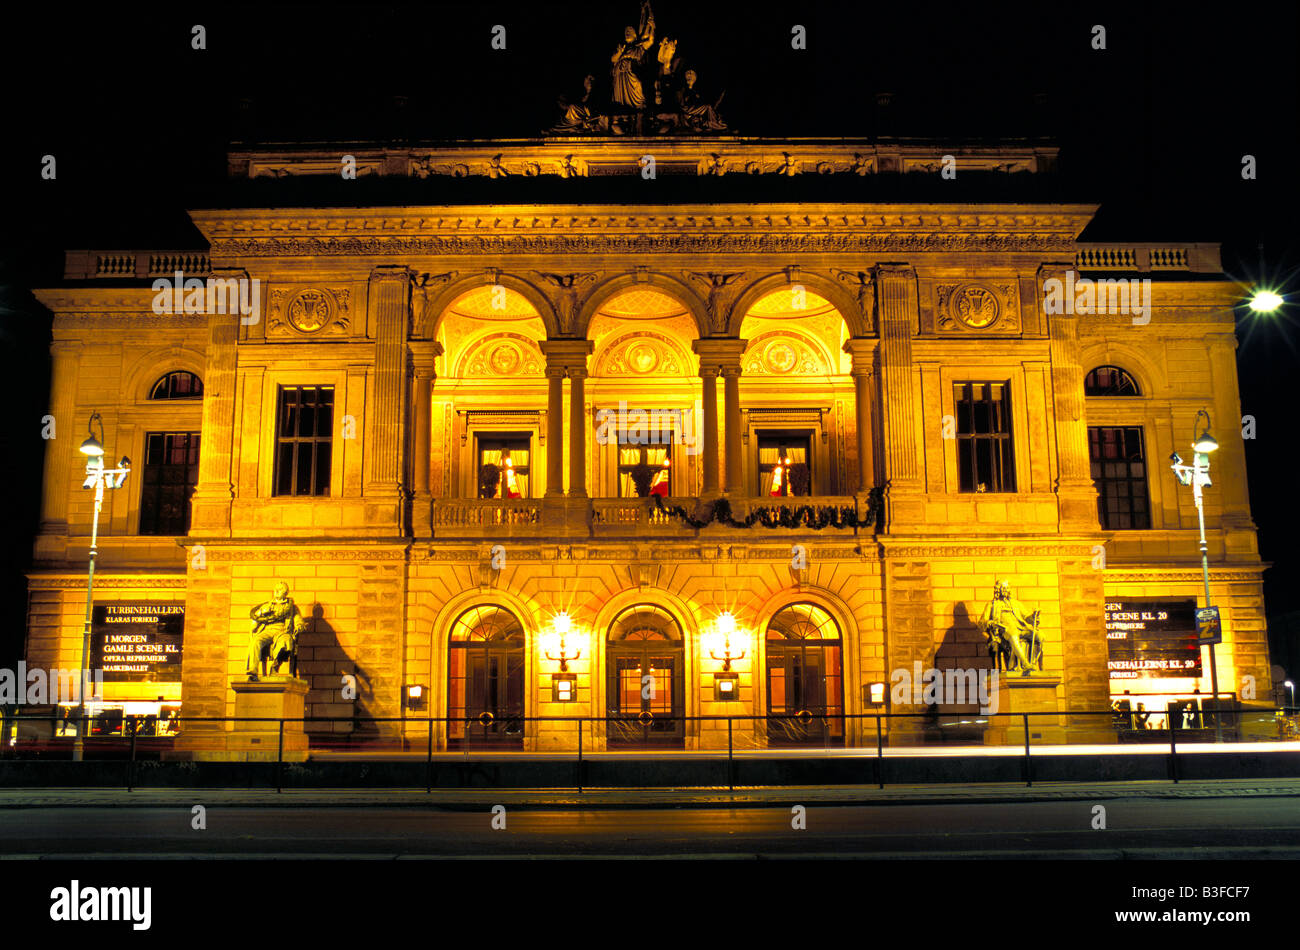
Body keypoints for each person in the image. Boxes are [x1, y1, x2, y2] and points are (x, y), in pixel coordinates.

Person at [977, 580, 1042, 675]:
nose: (1005, 590)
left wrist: (1034, 615)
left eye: (1007, 588)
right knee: (1013, 636)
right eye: (1003, 588)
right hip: (1004, 630)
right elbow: (982, 622)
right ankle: (1025, 664)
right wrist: (990, 622)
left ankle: (1036, 663)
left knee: (1039, 636)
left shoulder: (1016, 604)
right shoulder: (992, 605)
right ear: (998, 590)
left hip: (1021, 628)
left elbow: (1027, 617)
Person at [246, 582, 307, 679]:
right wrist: (261, 612)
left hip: (283, 631)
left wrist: (299, 626)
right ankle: (252, 671)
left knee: (285, 642)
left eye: (280, 589)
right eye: (275, 589)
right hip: (268, 630)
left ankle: (274, 667)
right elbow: (255, 619)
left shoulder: (291, 607)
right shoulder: (267, 605)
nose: (277, 591)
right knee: (256, 641)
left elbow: (297, 619)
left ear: (286, 592)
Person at [610, 1, 656, 110]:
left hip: (631, 73)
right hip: (619, 75)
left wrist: (652, 27)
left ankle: (639, 105)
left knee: (638, 86)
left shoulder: (638, 48)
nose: (627, 32)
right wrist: (620, 52)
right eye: (626, 31)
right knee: (619, 99)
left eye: (630, 30)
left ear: (635, 35)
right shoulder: (620, 47)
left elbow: (650, 41)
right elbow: (613, 60)